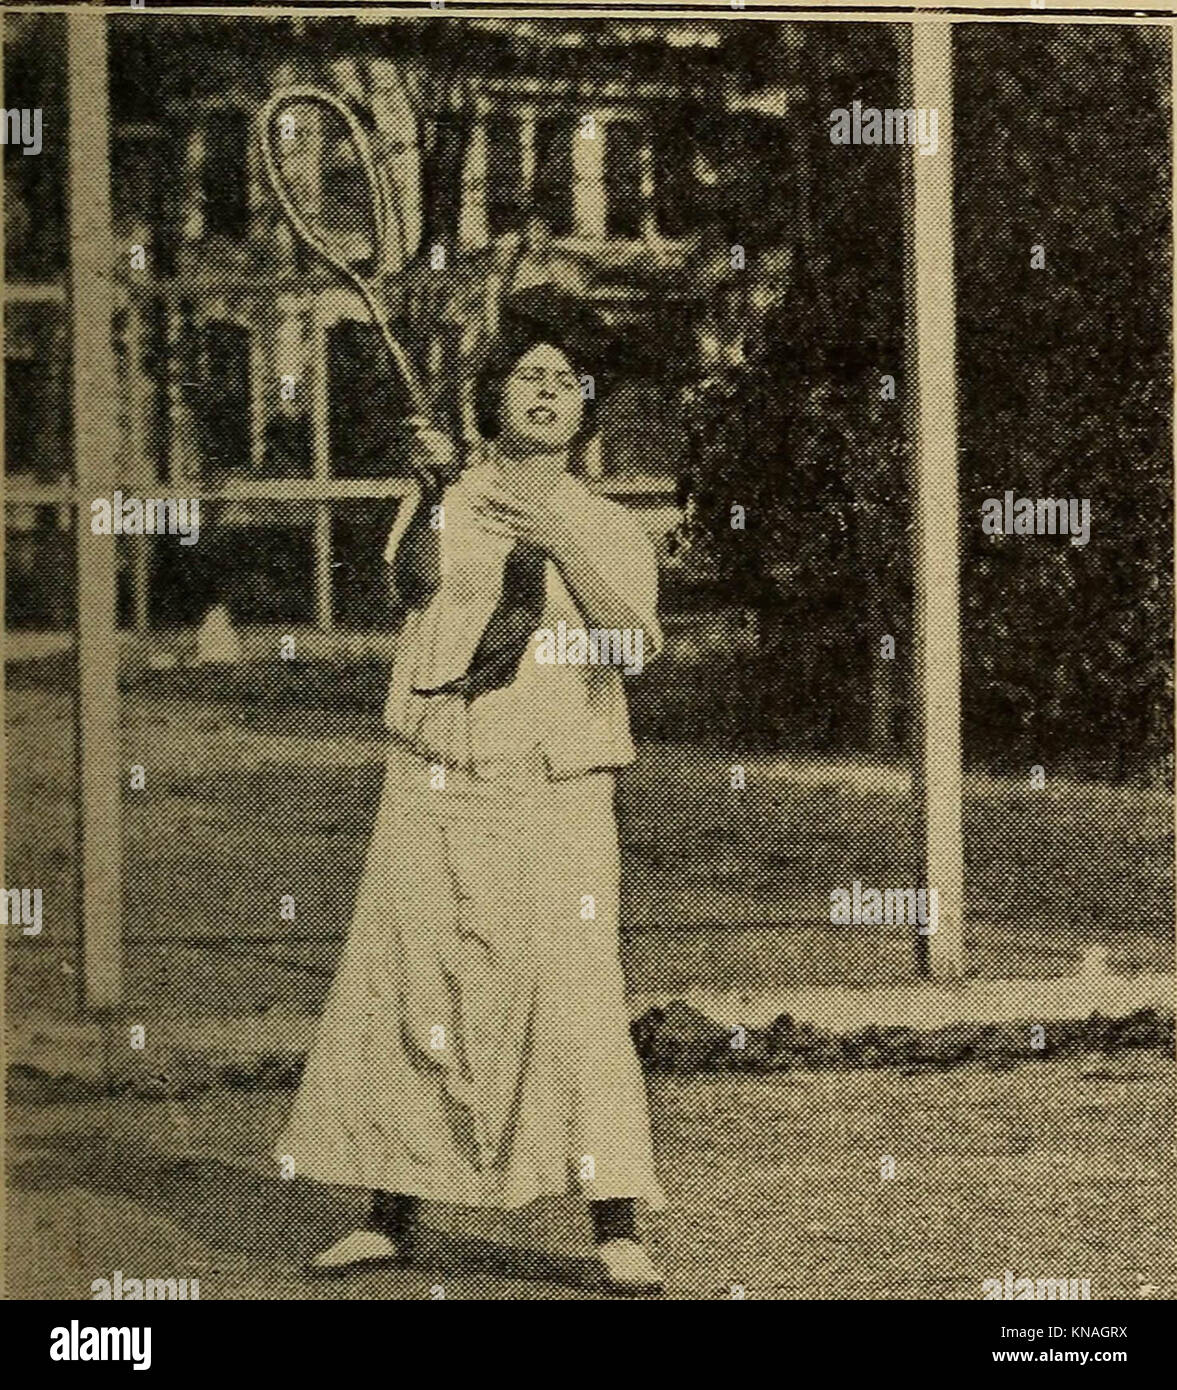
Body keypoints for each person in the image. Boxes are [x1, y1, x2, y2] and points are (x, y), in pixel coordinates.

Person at [274, 289, 667, 1293]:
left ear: (585, 411)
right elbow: (409, 588)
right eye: (527, 375)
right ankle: (388, 1215)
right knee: (408, 986)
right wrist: (431, 494)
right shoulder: (443, 499)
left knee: (573, 997)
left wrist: (560, 540)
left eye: (565, 381)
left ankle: (616, 1224)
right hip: (434, 776)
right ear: (495, 399)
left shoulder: (609, 525)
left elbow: (630, 646)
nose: (546, 390)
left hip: (556, 787)